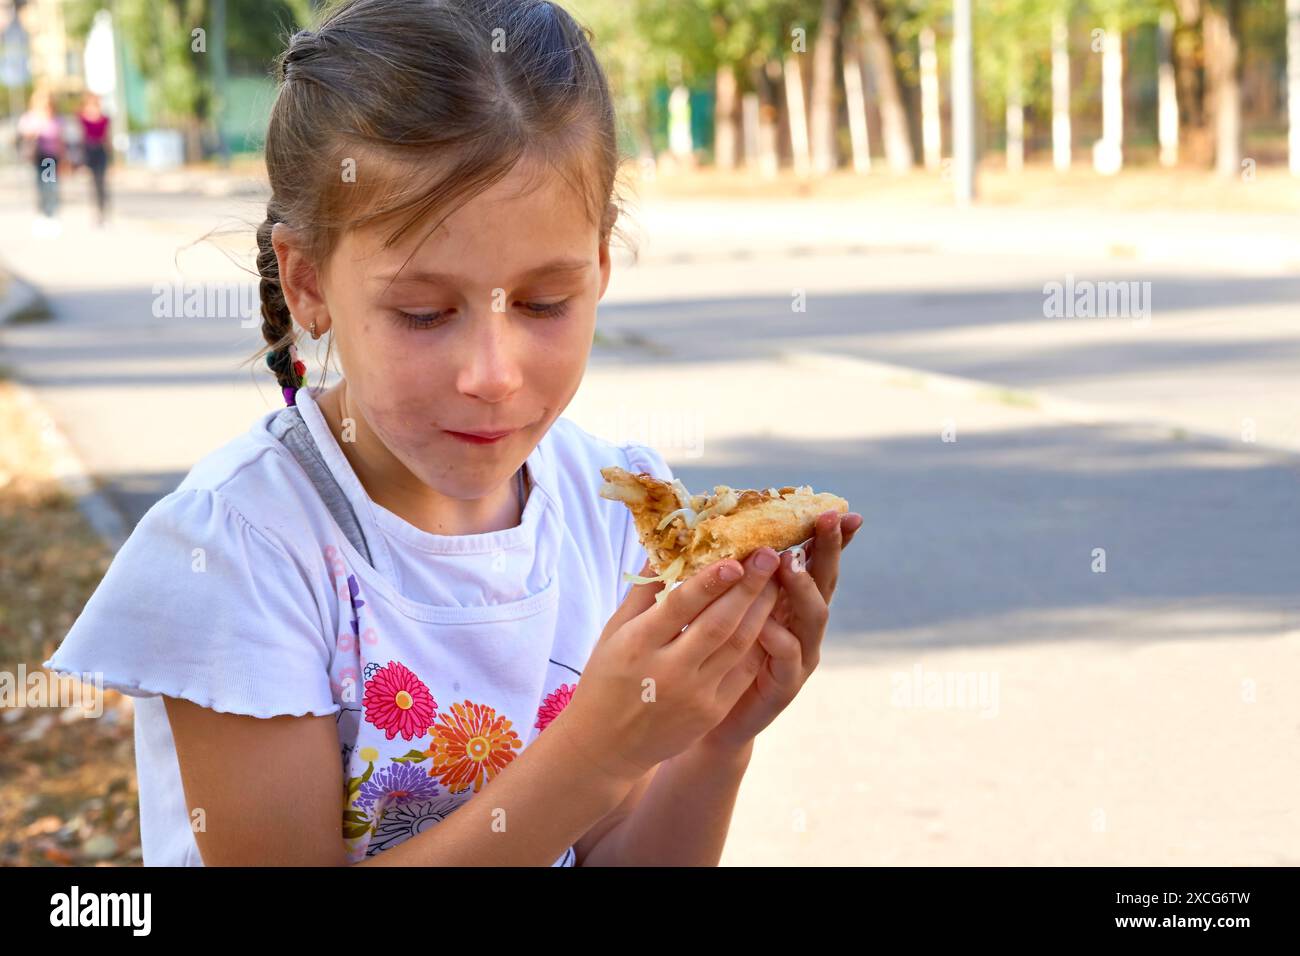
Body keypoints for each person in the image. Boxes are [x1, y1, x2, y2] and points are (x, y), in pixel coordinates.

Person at [43, 0, 862, 867]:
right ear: (308, 282)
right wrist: (598, 753)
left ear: (603, 267)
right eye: (425, 313)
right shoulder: (239, 552)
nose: (493, 372)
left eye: (545, 303)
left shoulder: (620, 511)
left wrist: (715, 741)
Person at [17, 88, 65, 225]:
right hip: (37, 155)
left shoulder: (55, 118)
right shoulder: (30, 117)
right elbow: (23, 134)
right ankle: (44, 212)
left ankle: (51, 212)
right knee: (41, 185)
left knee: (50, 184)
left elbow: (60, 138)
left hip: (50, 157)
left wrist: (64, 156)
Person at [77, 92, 112, 226]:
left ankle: (103, 212)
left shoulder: (104, 119)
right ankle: (95, 212)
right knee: (91, 184)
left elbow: (106, 138)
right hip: (88, 151)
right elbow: (81, 137)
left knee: (101, 183)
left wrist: (111, 159)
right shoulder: (82, 119)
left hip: (100, 151)